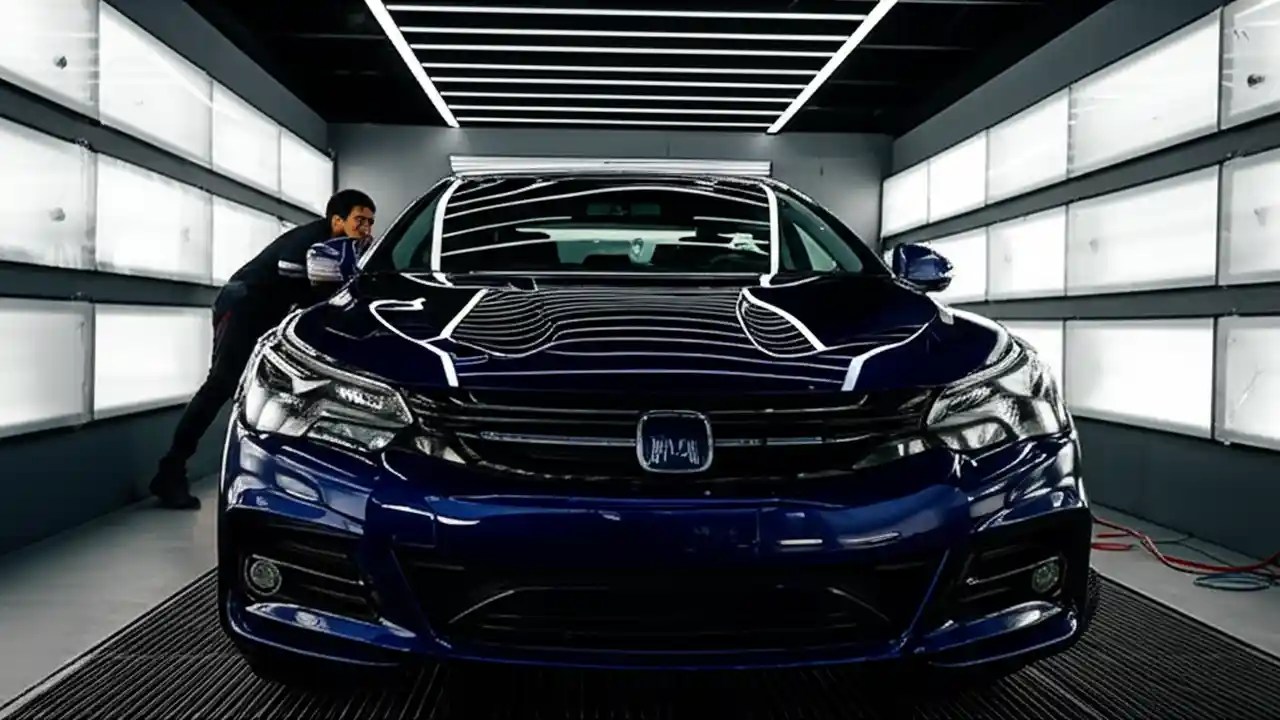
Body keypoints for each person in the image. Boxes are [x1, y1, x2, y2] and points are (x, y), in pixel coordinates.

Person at [149, 189, 377, 509]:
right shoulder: (310, 242)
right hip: (243, 304)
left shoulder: (346, 249)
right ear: (337, 220)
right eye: (359, 221)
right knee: (222, 384)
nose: (366, 229)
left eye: (370, 222)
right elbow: (309, 290)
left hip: (270, 313)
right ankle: (170, 471)